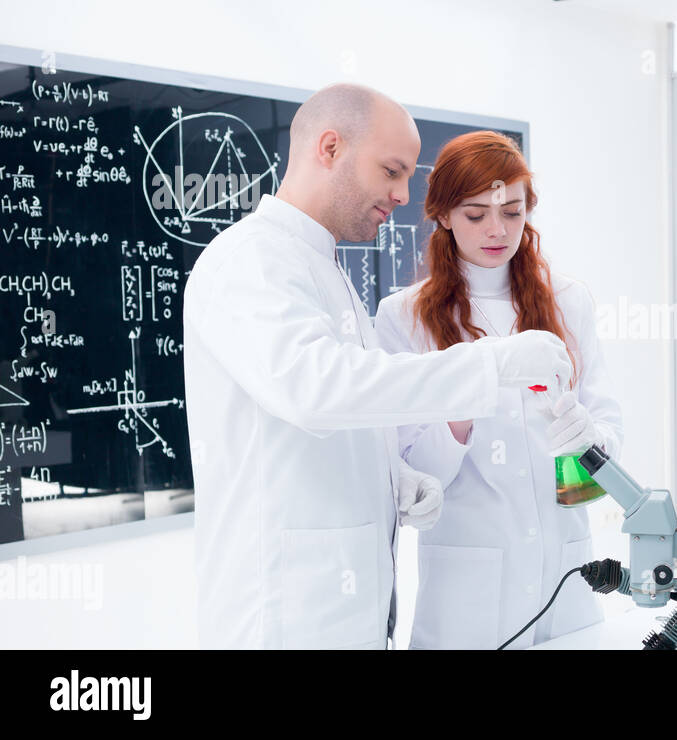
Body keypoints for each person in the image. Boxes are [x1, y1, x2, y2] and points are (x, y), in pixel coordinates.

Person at [183, 85, 572, 649]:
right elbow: (317, 389)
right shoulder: (251, 261)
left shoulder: (324, 267)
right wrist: (490, 362)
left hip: (346, 617)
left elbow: (346, 410)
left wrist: (393, 477)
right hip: (281, 620)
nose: (402, 193)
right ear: (330, 148)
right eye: (391, 171)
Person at [374, 131, 623, 649]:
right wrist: (463, 406)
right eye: (475, 214)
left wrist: (587, 448)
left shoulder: (567, 302)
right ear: (443, 215)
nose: (497, 230)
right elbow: (416, 477)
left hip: (566, 576)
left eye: (512, 212)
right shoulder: (403, 317)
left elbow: (602, 469)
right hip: (466, 594)